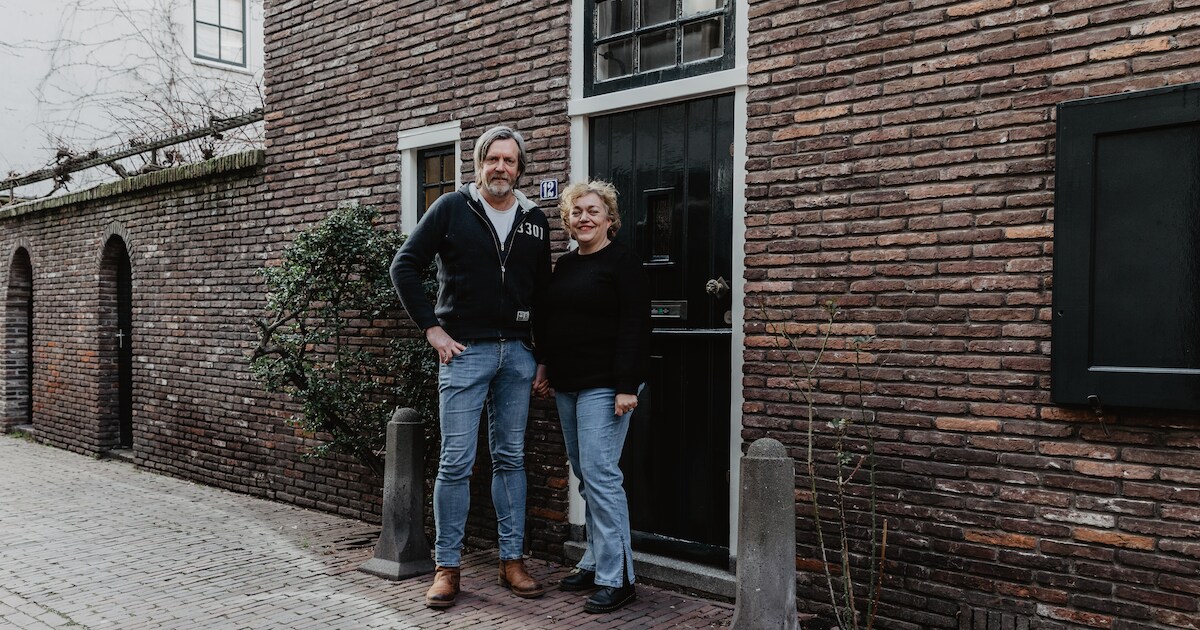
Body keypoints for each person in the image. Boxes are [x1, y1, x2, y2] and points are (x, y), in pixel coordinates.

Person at [390, 125, 551, 609]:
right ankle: (448, 567)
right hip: (465, 353)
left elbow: (542, 292)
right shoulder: (451, 209)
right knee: (456, 462)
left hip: (518, 356)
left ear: (520, 168)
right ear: (479, 164)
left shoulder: (534, 219)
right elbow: (404, 265)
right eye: (492, 159)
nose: (500, 167)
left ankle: (511, 561)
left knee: (511, 459)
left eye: (509, 160)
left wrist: (542, 354)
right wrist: (432, 329)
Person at [532, 180, 650, 614]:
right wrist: (544, 366)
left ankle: (618, 577)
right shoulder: (564, 266)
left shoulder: (623, 263)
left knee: (601, 475)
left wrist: (625, 385)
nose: (584, 218)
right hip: (568, 382)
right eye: (576, 211)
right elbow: (549, 323)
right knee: (586, 474)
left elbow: (636, 326)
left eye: (593, 211)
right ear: (568, 219)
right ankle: (595, 558)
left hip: (607, 385)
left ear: (609, 219)